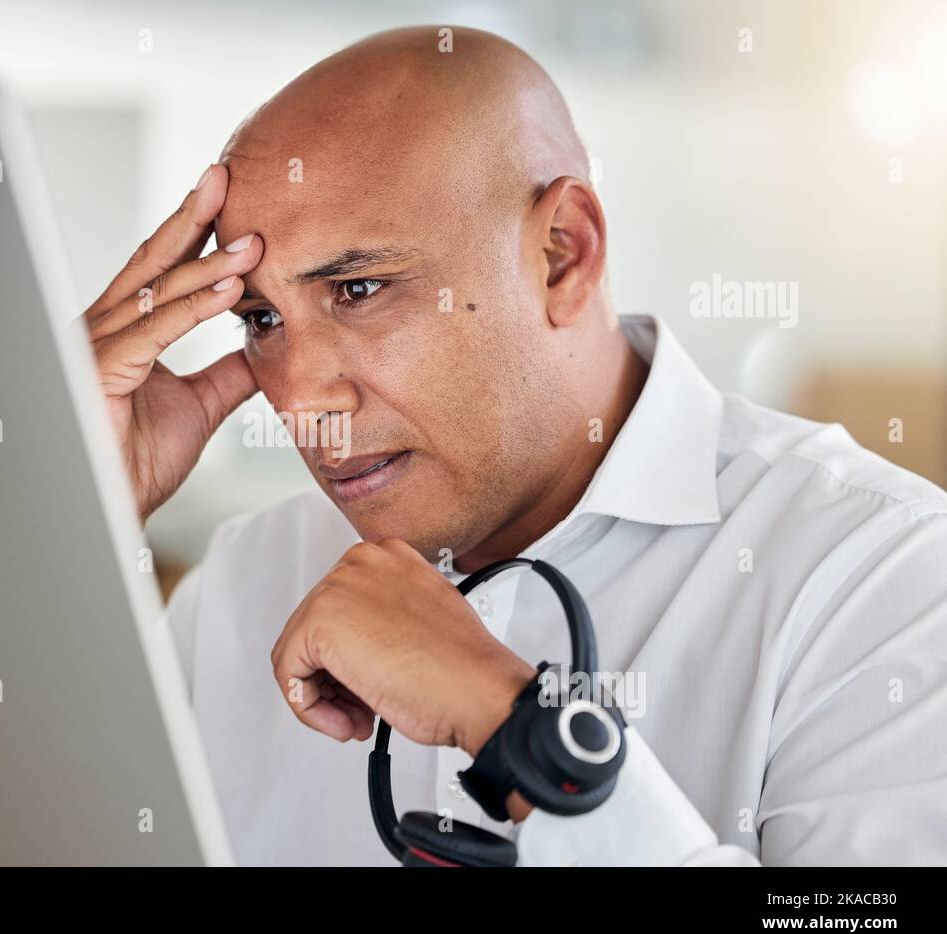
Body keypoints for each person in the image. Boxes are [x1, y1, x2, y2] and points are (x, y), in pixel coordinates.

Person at [80, 26, 947, 865]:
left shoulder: (885, 577)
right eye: (261, 318)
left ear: (562, 254)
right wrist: (66, 514)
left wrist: (519, 729)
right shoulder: (242, 583)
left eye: (360, 287)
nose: (302, 398)